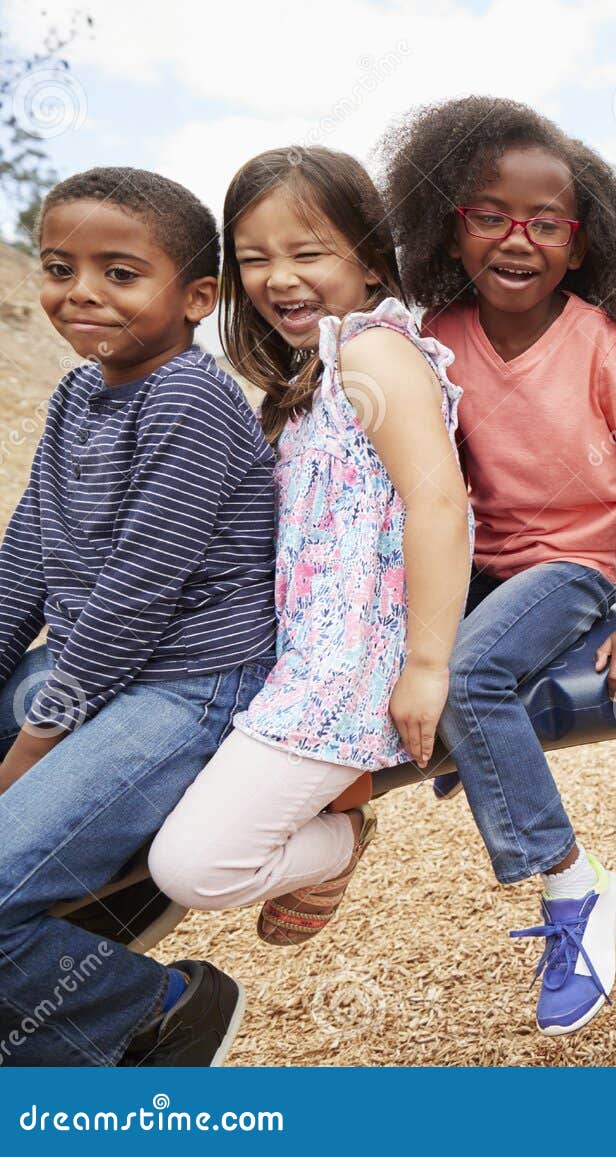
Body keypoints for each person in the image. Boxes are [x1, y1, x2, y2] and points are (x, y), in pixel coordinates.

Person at [383, 97, 616, 1036]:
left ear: (583, 243)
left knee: (466, 677)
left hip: (572, 563)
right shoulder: (437, 332)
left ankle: (574, 888)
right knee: (377, 659)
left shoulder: (598, 339)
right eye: (491, 216)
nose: (519, 239)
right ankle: (464, 758)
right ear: (452, 225)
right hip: (480, 562)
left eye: (547, 222)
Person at [148, 148, 471, 955]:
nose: (278, 278)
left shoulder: (372, 352)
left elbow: (439, 502)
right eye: (253, 259)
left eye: (307, 253)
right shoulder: (311, 373)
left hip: (350, 674)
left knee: (195, 867)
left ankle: (338, 843)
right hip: (301, 664)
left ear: (367, 259)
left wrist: (428, 666)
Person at [0, 167, 277, 1065]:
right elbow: (26, 559)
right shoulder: (79, 395)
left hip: (191, 682)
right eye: (58, 266)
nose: (80, 292)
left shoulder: (191, 399)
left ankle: (156, 1012)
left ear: (197, 297)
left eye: (120, 273)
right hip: (94, 664)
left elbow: (134, 597)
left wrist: (29, 752)